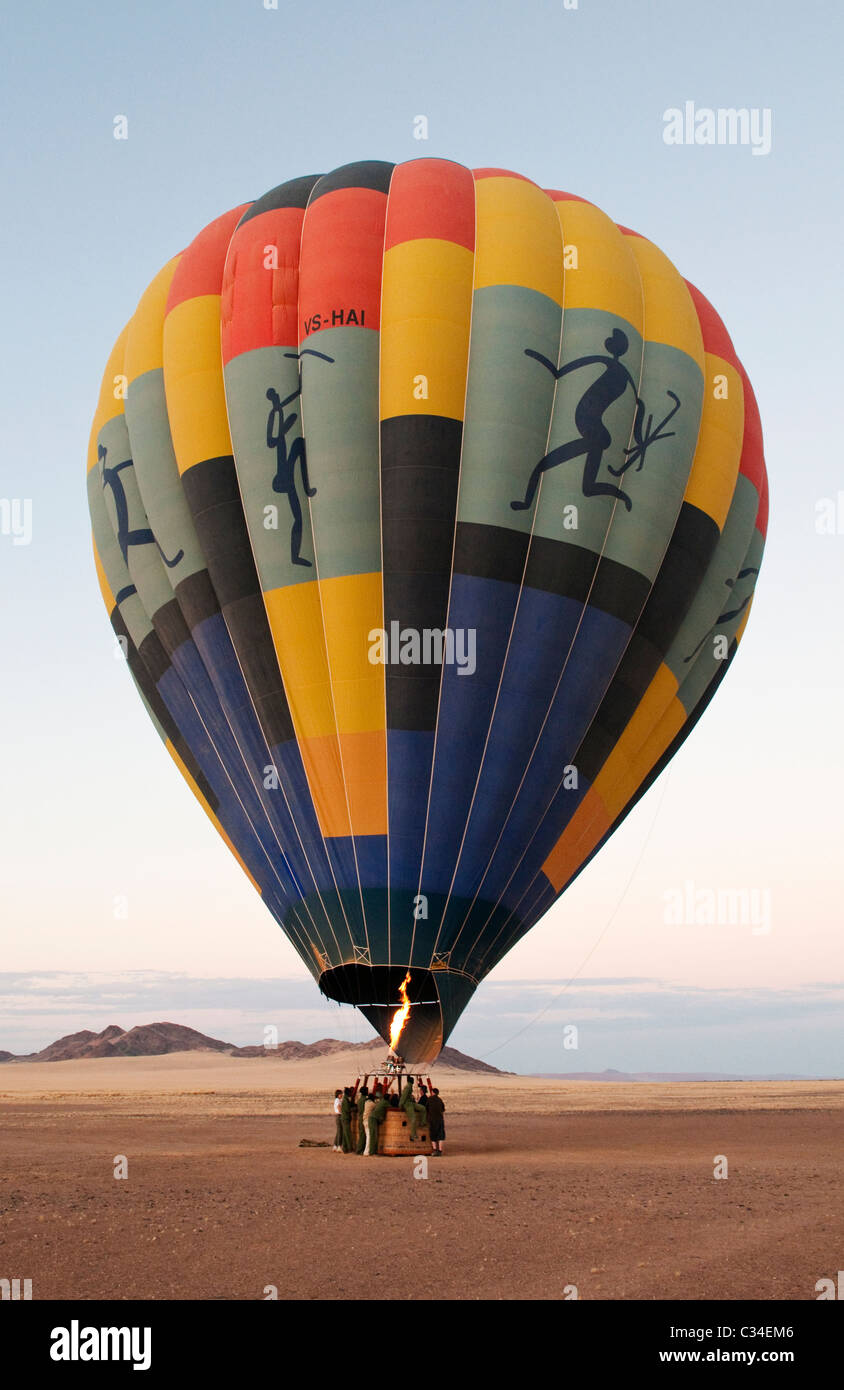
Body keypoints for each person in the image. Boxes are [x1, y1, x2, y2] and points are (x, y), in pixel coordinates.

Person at [399, 1075, 426, 1141]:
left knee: (423, 1108)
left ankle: (422, 1122)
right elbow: (404, 1096)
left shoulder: (410, 1086)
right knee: (413, 1118)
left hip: (411, 1103)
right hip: (407, 1104)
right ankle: (413, 1134)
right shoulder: (408, 1087)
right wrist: (401, 1105)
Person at [367, 1088, 389, 1156]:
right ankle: (372, 1152)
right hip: (373, 1119)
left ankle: (373, 1151)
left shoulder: (381, 1101)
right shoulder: (385, 1102)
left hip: (373, 1118)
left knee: (373, 1135)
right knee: (373, 1135)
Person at [426, 1087, 446, 1155]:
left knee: (433, 1135)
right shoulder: (440, 1100)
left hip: (432, 1120)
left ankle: (434, 1150)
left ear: (432, 1093)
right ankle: (440, 1150)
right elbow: (443, 1109)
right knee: (441, 1135)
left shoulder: (429, 1099)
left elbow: (426, 1108)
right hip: (440, 1119)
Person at [355, 1085, 369, 1154]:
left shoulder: (360, 1100)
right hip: (363, 1118)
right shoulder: (365, 1100)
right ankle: (359, 1150)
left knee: (362, 1134)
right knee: (363, 1135)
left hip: (360, 1117)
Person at [340, 1087, 354, 1153]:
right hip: (346, 1118)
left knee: (345, 1134)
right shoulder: (345, 1100)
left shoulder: (345, 1099)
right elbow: (348, 1109)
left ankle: (345, 1148)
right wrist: (354, 1109)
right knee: (347, 1134)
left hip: (345, 1118)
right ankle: (349, 1148)